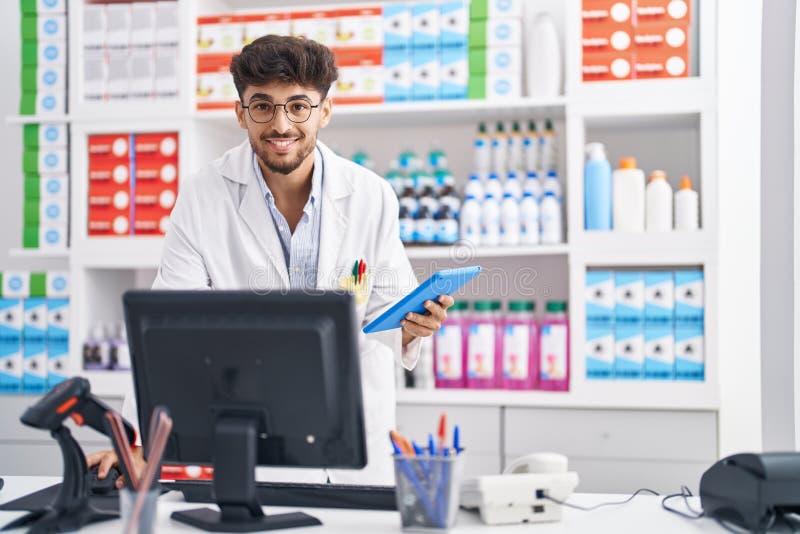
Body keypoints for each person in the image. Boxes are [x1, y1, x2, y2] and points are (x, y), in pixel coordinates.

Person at [87, 35, 453, 486]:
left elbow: (386, 316)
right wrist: (140, 443)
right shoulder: (204, 196)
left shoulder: (371, 196)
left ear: (325, 111)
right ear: (241, 113)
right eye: (262, 106)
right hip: (248, 437)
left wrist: (413, 325)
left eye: (298, 106)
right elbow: (165, 332)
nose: (281, 124)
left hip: (352, 448)